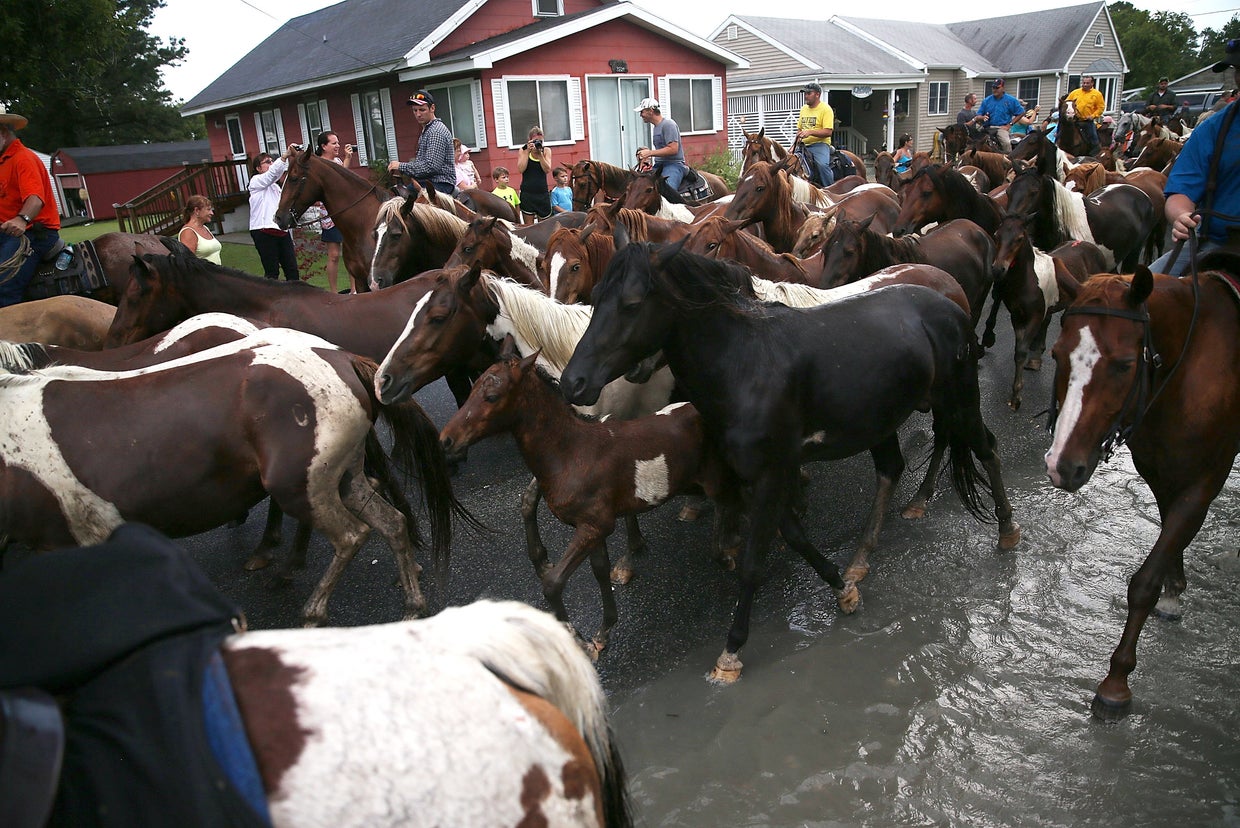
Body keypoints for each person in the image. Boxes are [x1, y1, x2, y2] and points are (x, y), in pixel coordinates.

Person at [1149, 40, 1240, 276]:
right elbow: (1181, 192)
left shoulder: (1171, 95)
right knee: (1137, 290)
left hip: (1169, 113)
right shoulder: (1212, 129)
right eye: (1239, 70)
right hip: (1218, 242)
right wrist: (1181, 215)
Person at [0, 104, 61, 307]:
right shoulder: (3, 161)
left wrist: (21, 219)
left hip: (33, 233)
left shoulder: (23, 158)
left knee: (4, 285)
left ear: (3, 132)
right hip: (7, 233)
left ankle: (9, 324)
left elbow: (35, 198)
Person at [387, 89, 455, 195]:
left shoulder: (435, 131)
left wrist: (401, 166)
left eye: (422, 110)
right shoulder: (428, 129)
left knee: (401, 201)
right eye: (415, 110)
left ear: (432, 108)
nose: (418, 114)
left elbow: (431, 166)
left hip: (439, 184)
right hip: (427, 183)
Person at [248, 146, 300, 281]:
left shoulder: (276, 188)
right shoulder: (255, 181)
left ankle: (295, 293)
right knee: (272, 272)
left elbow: (278, 175)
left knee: (292, 270)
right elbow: (271, 175)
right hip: (263, 231)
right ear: (258, 168)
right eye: (267, 162)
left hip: (281, 231)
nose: (271, 163)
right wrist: (284, 157)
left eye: (272, 161)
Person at [315, 130, 354, 293]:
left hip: (344, 212)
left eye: (338, 142)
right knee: (334, 255)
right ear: (324, 146)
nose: (338, 145)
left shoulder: (337, 161)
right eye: (334, 143)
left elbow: (343, 180)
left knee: (350, 252)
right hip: (329, 216)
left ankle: (354, 289)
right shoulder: (319, 164)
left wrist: (347, 159)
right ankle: (333, 292)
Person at [635, 97, 690, 192]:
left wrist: (649, 153)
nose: (640, 115)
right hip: (659, 165)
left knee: (667, 191)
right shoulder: (656, 127)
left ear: (650, 111)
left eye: (642, 112)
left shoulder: (668, 125)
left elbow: (673, 149)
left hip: (674, 165)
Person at [792, 83, 834, 186]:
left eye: (809, 93)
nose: (806, 96)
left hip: (820, 144)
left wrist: (810, 132)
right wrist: (794, 144)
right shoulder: (803, 109)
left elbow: (828, 132)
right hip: (802, 145)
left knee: (822, 165)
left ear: (817, 94)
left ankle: (830, 189)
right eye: (805, 93)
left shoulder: (826, 109)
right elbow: (799, 129)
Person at [972, 79, 1026, 152]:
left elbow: (1021, 112)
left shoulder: (1011, 100)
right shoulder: (986, 100)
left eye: (997, 88)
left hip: (1001, 128)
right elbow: (978, 115)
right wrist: (982, 117)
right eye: (993, 88)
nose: (995, 90)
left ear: (1003, 88)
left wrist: (1009, 125)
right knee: (973, 142)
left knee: (1006, 143)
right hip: (987, 128)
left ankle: (1008, 158)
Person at [517, 126, 553, 223]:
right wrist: (527, 152)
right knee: (529, 227)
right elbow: (521, 169)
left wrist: (540, 155)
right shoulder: (523, 150)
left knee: (544, 227)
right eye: (535, 141)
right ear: (529, 141)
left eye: (540, 141)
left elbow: (547, 169)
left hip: (542, 193)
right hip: (527, 193)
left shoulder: (546, 151)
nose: (538, 143)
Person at [1067, 75, 1106, 156]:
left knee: (1094, 140)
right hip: (1074, 120)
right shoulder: (1075, 93)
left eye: (1087, 83)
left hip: (1087, 121)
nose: (1085, 85)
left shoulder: (1097, 94)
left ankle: (1092, 155)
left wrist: (1093, 116)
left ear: (1092, 83)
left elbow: (1101, 108)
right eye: (1084, 83)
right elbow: (1067, 103)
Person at [177, 195, 222, 265]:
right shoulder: (188, 232)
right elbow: (188, 263)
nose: (212, 213)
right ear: (197, 210)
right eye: (208, 209)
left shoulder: (205, 228)